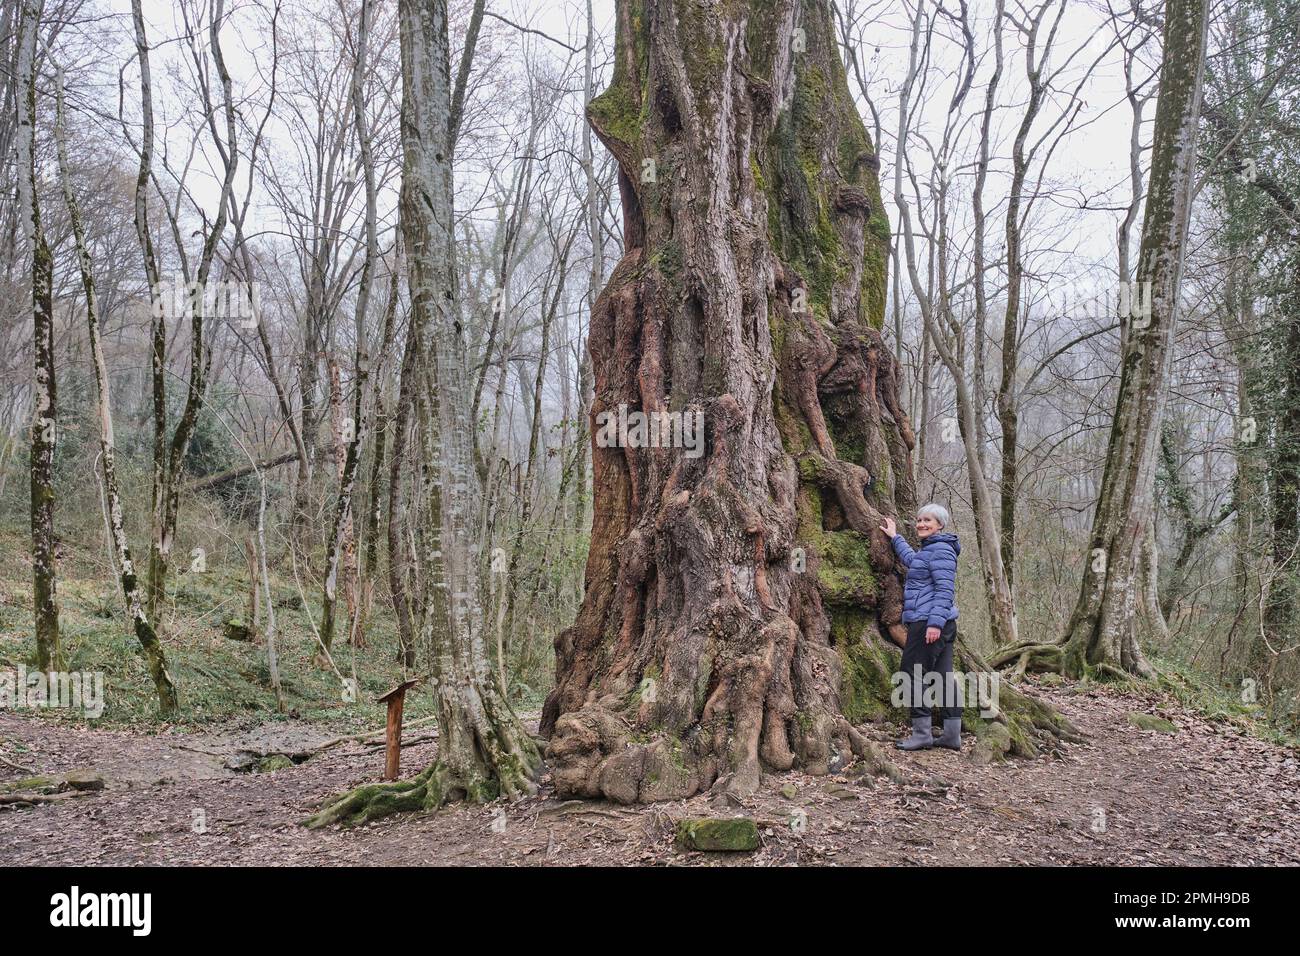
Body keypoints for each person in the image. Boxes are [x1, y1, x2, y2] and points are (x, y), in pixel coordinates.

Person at [879, 503, 962, 751]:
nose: (922, 524)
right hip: (938, 622)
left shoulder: (942, 551)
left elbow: (945, 590)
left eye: (928, 520)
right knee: (943, 677)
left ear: (940, 525)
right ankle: (951, 735)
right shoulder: (932, 550)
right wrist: (895, 537)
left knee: (912, 673)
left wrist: (934, 624)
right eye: (919, 520)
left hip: (930, 622)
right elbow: (913, 561)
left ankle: (922, 734)